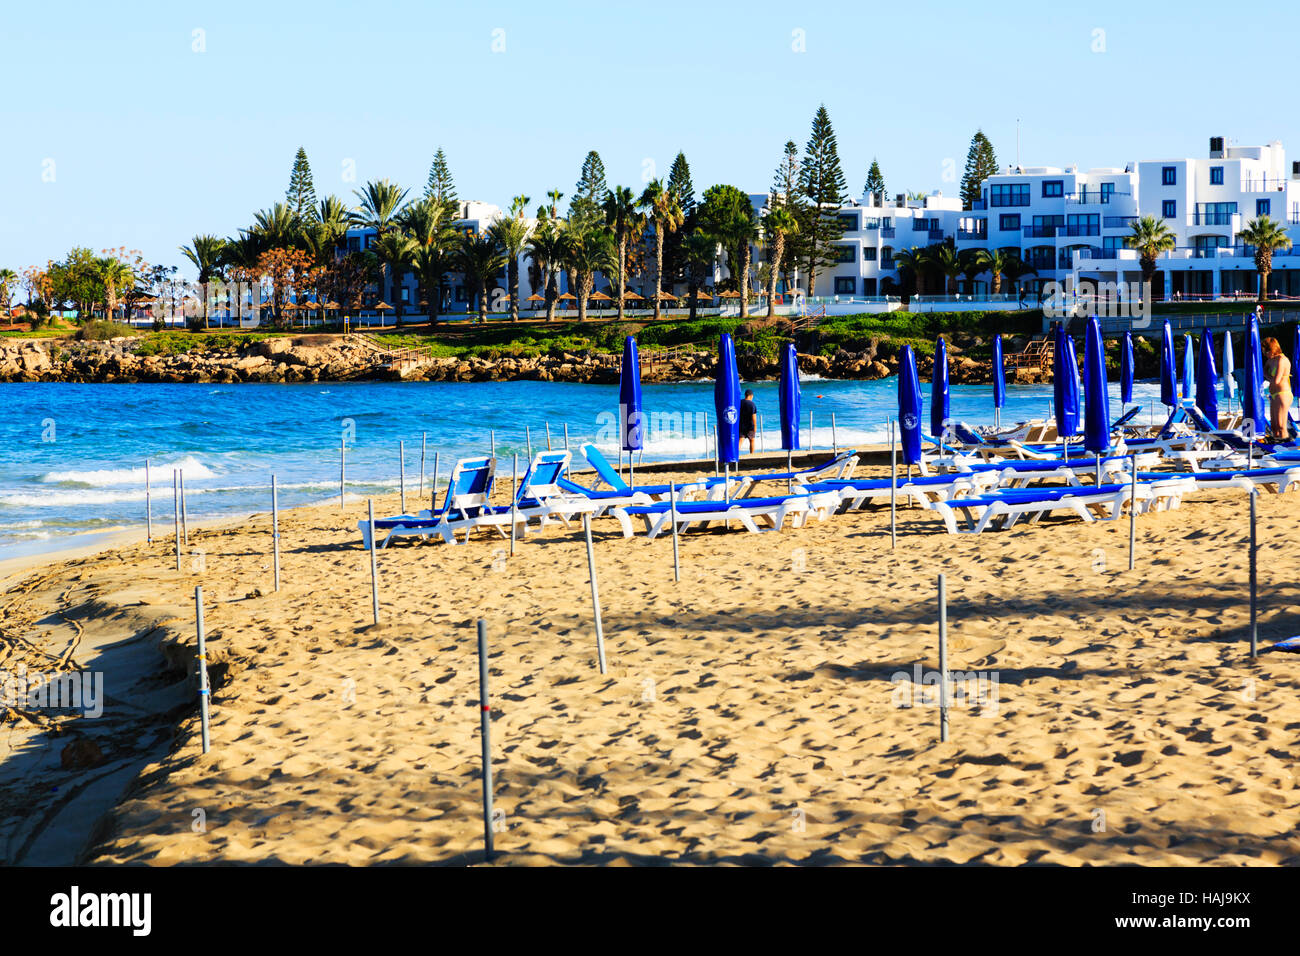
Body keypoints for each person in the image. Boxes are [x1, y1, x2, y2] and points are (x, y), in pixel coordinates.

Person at [1263, 337, 1293, 440]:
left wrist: (1269, 378)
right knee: (1274, 427)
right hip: (1274, 395)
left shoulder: (1282, 360)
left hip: (1283, 394)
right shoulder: (1270, 360)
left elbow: (1276, 380)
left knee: (1281, 425)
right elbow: (1265, 371)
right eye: (1264, 352)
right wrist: (1268, 376)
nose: (1266, 354)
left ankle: (1285, 445)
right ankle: (1277, 445)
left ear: (1273, 348)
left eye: (1267, 351)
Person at [738, 389, 758, 454]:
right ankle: (752, 454)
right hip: (750, 425)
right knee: (752, 440)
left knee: (741, 440)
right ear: (751, 396)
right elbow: (754, 417)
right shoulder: (752, 404)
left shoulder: (739, 402)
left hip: (741, 424)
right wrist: (755, 426)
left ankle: (736, 454)